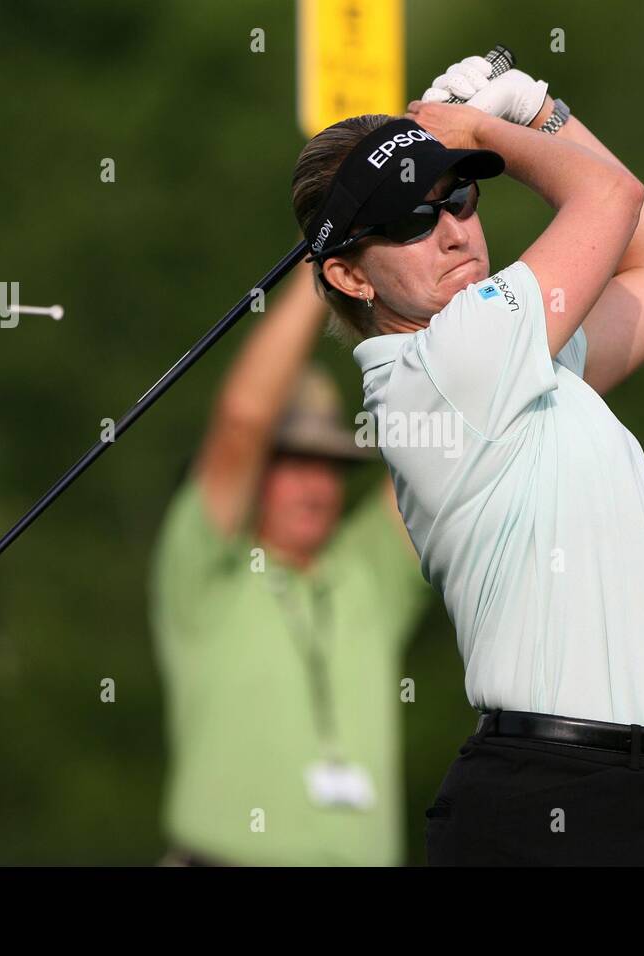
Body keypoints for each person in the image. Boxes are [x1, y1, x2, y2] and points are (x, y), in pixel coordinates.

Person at [289, 54, 644, 865]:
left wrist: (539, 114)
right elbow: (609, 201)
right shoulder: (444, 367)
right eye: (409, 220)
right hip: (570, 799)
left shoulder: (516, 362)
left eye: (460, 197)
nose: (452, 230)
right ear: (348, 274)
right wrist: (495, 126)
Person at [148, 263, 430, 866]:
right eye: (293, 462)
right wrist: (324, 259)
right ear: (254, 474)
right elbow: (243, 422)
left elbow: (455, 439)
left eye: (329, 466)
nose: (316, 486)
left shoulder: (367, 573)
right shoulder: (203, 570)